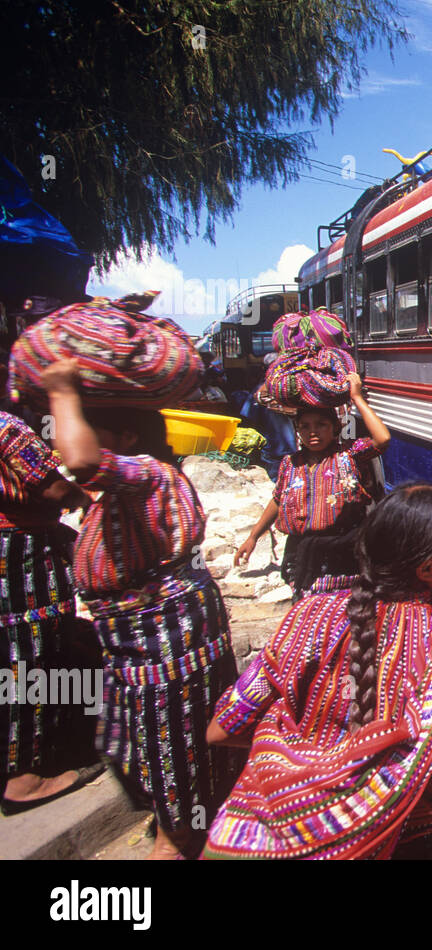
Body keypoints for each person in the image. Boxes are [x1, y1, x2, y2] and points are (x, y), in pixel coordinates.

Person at [203, 485, 432, 859]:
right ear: (426, 569)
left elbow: (221, 729)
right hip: (430, 844)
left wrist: (315, 754)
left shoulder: (308, 618)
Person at [38, 358, 238, 859]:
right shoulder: (117, 492)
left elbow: (81, 462)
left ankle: (177, 836)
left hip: (164, 637)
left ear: (125, 437)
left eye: (90, 425)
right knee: (134, 740)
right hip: (135, 639)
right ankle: (183, 817)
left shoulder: (148, 472)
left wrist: (61, 389)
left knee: (170, 739)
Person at [0, 408, 103, 814]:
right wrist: (83, 497)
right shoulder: (7, 427)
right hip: (20, 552)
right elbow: (50, 487)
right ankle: (25, 776)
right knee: (31, 657)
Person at [235, 374, 390, 598]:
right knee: (307, 615)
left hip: (344, 552)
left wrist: (356, 397)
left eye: (321, 425)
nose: (313, 432)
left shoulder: (349, 455)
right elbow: (278, 500)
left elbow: (382, 439)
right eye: (305, 426)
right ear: (297, 430)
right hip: (302, 553)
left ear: (335, 427)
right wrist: (253, 536)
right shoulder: (290, 463)